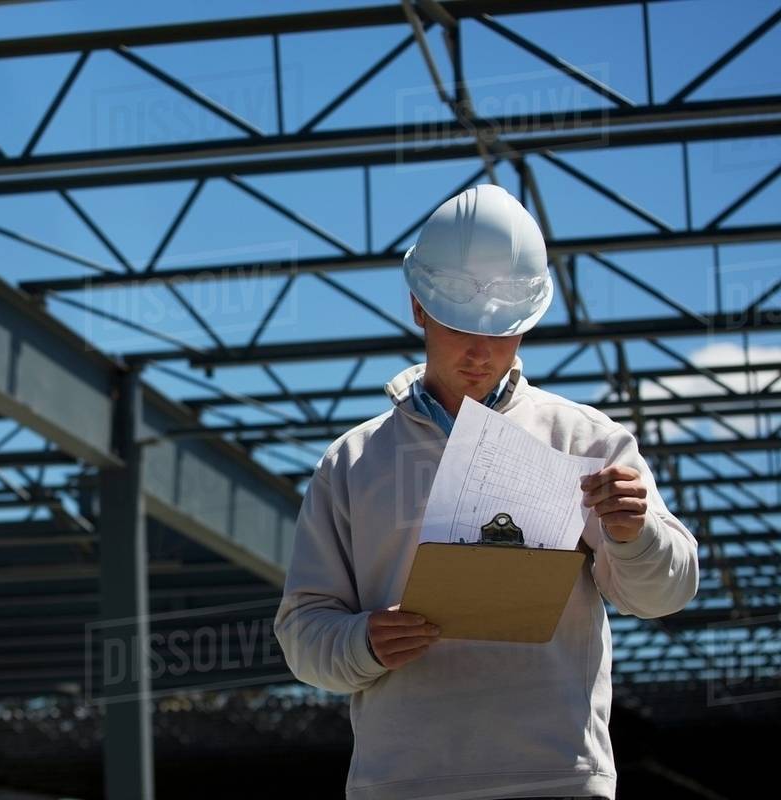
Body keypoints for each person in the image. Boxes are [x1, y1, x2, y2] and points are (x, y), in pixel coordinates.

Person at [273, 184, 700, 800]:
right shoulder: (353, 463)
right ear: (418, 308)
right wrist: (363, 642)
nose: (481, 353)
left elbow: (666, 593)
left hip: (555, 779)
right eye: (459, 326)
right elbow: (302, 632)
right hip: (405, 784)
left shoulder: (586, 441)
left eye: (503, 331)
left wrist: (637, 536)